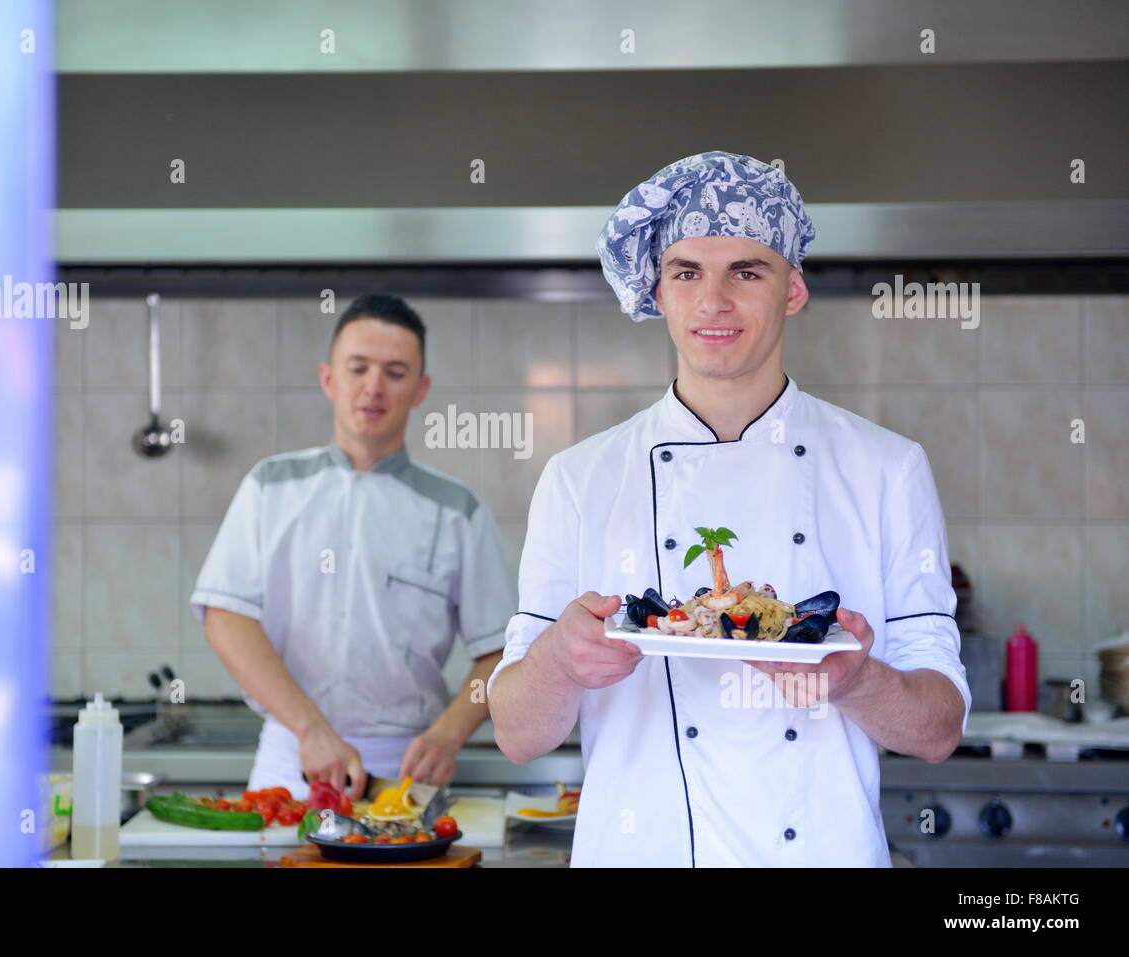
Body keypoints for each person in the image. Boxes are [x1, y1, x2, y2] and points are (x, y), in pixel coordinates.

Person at [487, 152, 970, 867]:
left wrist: (854, 677)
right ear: (659, 289)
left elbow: (937, 729)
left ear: (793, 290)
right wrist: (559, 659)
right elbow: (518, 734)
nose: (713, 301)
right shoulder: (580, 479)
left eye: (746, 271)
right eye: (687, 272)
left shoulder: (887, 469)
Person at [192, 293, 515, 799]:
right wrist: (309, 728)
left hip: (407, 772)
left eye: (395, 372)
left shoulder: (458, 510)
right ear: (328, 378)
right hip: (291, 762)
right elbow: (225, 617)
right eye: (357, 368)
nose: (373, 388)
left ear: (420, 389)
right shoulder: (269, 486)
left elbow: (500, 649)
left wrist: (449, 734)